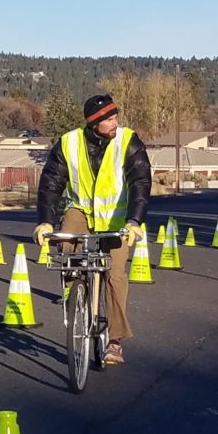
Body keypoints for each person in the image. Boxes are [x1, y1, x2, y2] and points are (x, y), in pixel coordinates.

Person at [34, 94, 151, 365]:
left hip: (116, 217)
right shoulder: (69, 143)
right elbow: (51, 183)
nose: (115, 122)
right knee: (67, 250)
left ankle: (114, 339)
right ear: (94, 123)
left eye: (115, 117)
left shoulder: (128, 140)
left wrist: (134, 221)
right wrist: (45, 221)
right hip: (81, 211)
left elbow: (141, 182)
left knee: (115, 274)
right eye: (109, 119)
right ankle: (77, 300)